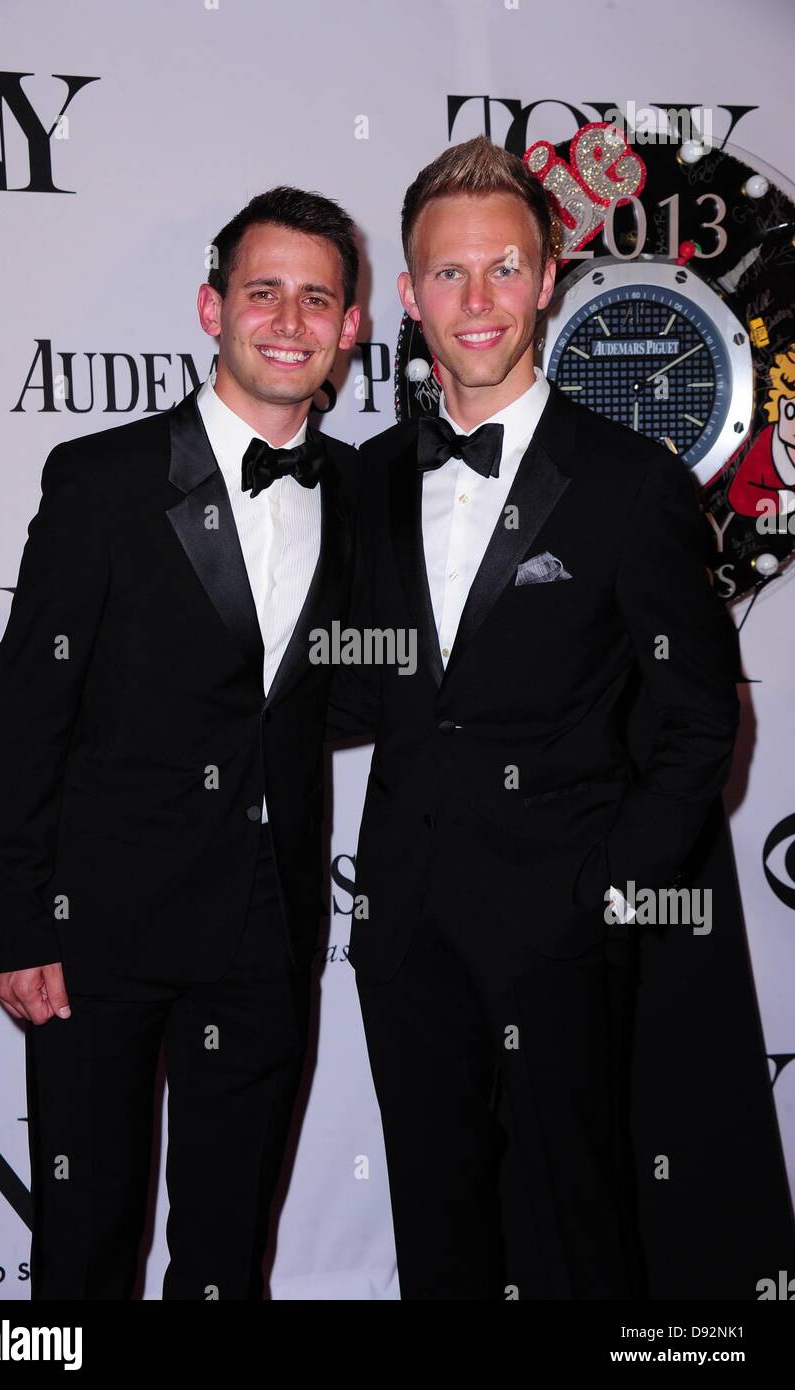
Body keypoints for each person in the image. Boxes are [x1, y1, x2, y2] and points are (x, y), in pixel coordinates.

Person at [327, 136, 741, 1299]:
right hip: (405, 920)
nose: (476, 300)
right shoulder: (364, 476)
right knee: (439, 1232)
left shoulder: (629, 480)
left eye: (502, 268)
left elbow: (700, 718)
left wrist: (609, 887)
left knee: (580, 1230)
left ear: (549, 275)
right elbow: (359, 681)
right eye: (447, 276)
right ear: (408, 296)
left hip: (562, 923)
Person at [0, 186, 361, 1300]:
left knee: (227, 1251)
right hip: (95, 931)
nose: (287, 320)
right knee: (83, 1246)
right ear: (211, 307)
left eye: (316, 298)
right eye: (262, 292)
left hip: (265, 928)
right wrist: (16, 915)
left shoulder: (371, 496)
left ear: (350, 328)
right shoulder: (102, 481)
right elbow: (29, 714)